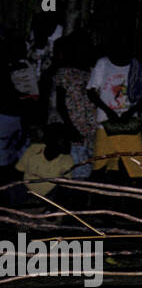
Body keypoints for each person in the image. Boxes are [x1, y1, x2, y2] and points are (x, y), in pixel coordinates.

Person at [86, 35, 142, 180]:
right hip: (106, 124)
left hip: (130, 125)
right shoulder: (103, 63)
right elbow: (91, 91)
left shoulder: (137, 66)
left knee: (139, 170)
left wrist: (131, 112)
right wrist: (109, 111)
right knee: (99, 167)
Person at [48, 32, 98, 180]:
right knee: (74, 168)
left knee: (89, 164)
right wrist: (69, 126)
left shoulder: (92, 71)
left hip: (91, 127)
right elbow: (60, 104)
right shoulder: (64, 73)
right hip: (72, 126)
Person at [16, 122, 75, 199]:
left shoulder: (67, 159)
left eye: (68, 140)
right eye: (63, 139)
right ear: (50, 140)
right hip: (25, 188)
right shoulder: (33, 149)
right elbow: (19, 171)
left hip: (47, 195)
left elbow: (65, 187)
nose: (68, 144)